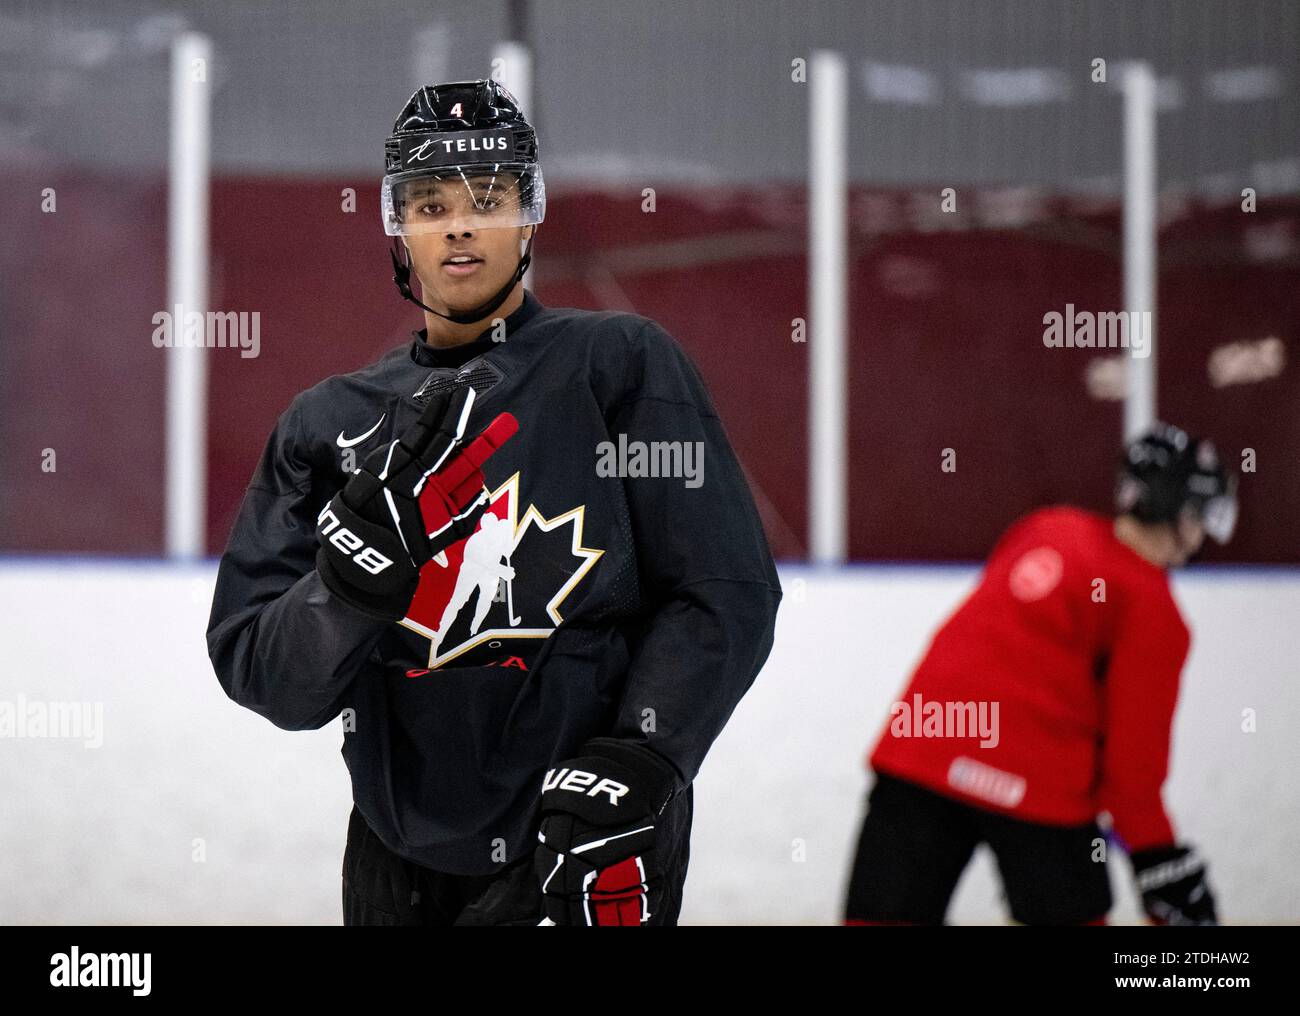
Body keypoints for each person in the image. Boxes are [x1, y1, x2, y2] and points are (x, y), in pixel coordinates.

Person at [206, 79, 782, 926]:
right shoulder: (326, 423)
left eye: (489, 197)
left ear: (531, 212)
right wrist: (349, 585)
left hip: (589, 834)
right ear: (398, 225)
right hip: (393, 856)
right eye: (431, 203)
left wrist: (643, 757)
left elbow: (725, 589)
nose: (461, 224)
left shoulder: (620, 365)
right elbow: (267, 674)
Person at [843, 422, 1237, 926]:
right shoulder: (1154, 608)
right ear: (1180, 513)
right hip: (1039, 790)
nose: (1204, 532)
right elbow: (1131, 774)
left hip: (922, 752)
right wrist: (1156, 856)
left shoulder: (1047, 527)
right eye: (1201, 515)